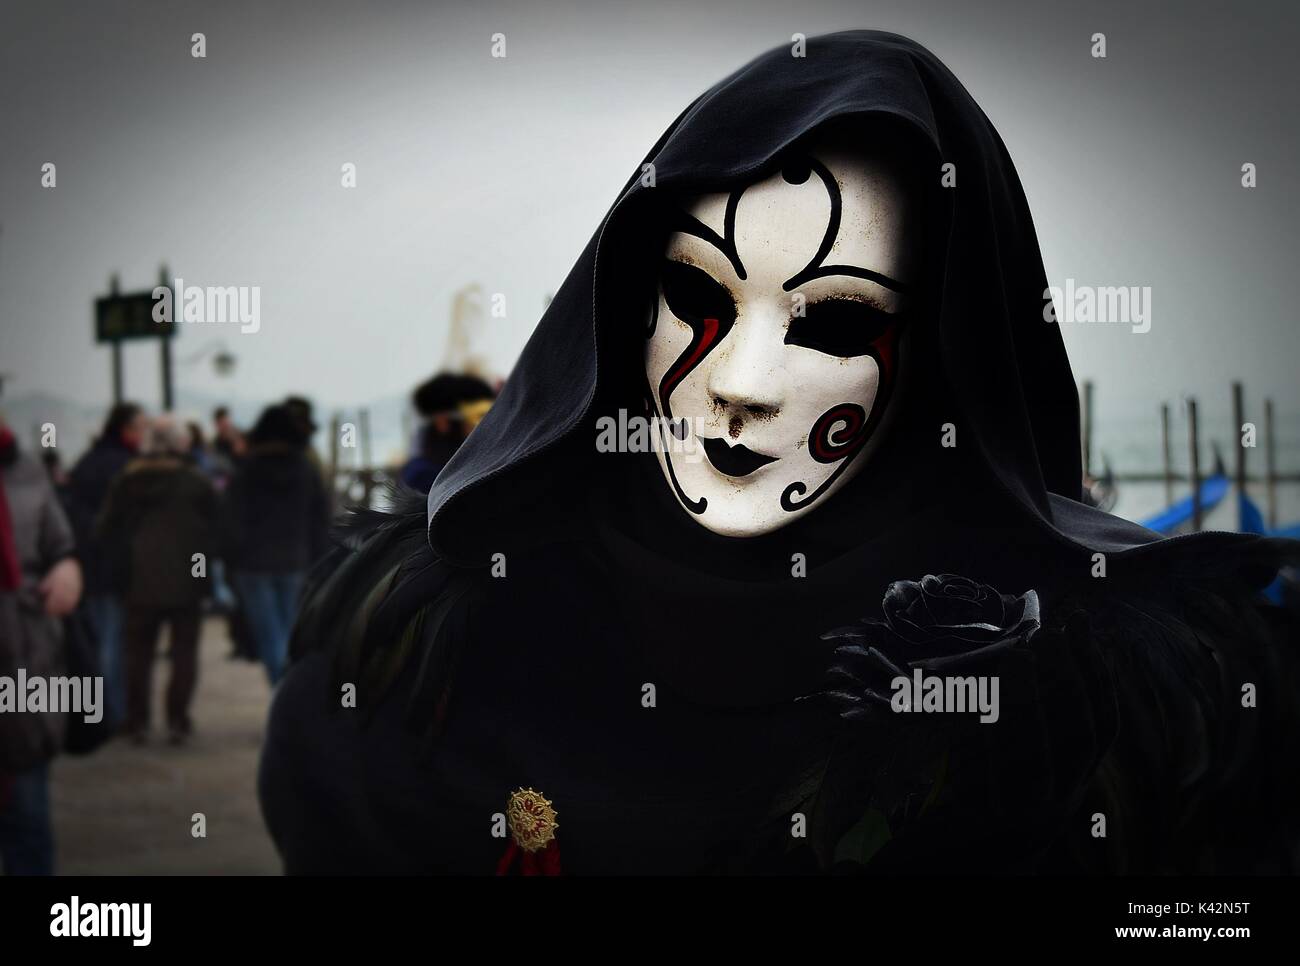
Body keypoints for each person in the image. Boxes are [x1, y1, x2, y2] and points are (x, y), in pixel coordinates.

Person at [260, 32, 1300, 874]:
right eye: (697, 298)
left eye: (837, 322)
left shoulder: (1119, 701)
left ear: (944, 362)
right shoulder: (427, 657)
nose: (742, 382)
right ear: (625, 310)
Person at [98, 418, 217, 745]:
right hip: (188, 580)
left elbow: (105, 530)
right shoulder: (197, 482)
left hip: (137, 581)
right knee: (184, 652)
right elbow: (217, 530)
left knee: (137, 654)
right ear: (182, 444)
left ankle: (137, 722)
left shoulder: (126, 481)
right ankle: (178, 720)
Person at [0, 416, 82, 874]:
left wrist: (68, 568)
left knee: (29, 813)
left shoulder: (23, 466)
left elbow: (61, 544)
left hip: (26, 657)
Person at [224, 405, 329, 686]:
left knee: (269, 637)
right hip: (295, 560)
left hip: (253, 565)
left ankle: (282, 698)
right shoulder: (305, 468)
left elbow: (232, 519)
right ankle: (291, 701)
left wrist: (231, 560)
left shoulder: (247, 470)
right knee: (291, 634)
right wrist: (320, 558)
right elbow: (320, 517)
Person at [67, 401, 146, 728]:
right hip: (115, 566)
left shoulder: (86, 462)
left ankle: (100, 709)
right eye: (140, 426)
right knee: (113, 642)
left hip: (90, 565)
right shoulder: (127, 466)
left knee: (101, 638)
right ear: (126, 429)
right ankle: (111, 712)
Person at [400, 373, 495, 492]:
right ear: (443, 422)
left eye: (491, 416)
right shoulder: (423, 476)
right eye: (478, 416)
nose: (487, 425)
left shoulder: (481, 465)